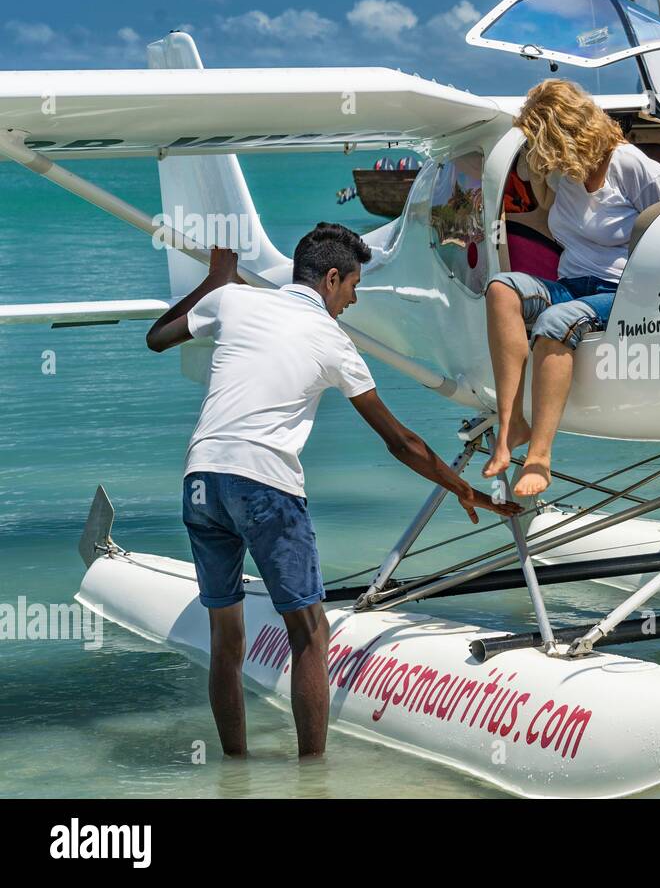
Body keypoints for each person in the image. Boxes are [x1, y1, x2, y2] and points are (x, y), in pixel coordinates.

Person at [145, 223, 520, 760]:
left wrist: (215, 280)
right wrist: (462, 488)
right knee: (310, 634)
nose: (353, 300)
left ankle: (234, 770)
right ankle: (313, 777)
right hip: (264, 483)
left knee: (226, 637)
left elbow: (157, 337)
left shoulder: (232, 301)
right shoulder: (332, 340)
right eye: (353, 287)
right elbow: (401, 442)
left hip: (201, 478)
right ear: (331, 278)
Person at [483, 79, 660, 496]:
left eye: (542, 139)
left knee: (556, 320)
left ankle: (540, 457)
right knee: (501, 288)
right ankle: (511, 425)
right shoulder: (565, 171)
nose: (539, 151)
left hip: (622, 291)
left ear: (566, 131)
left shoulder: (635, 168)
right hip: (572, 283)